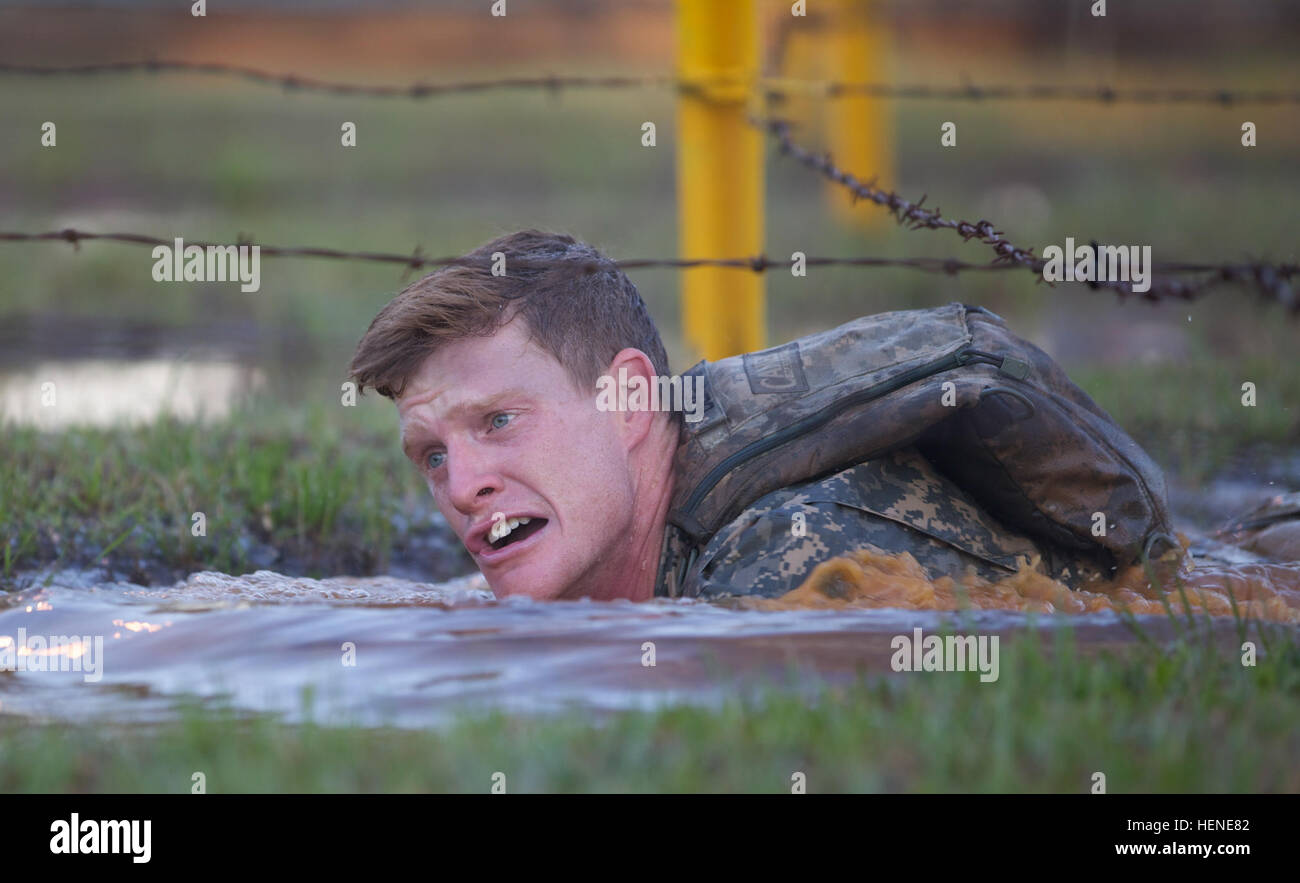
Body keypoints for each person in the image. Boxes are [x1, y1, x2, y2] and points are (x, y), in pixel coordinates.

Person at [349, 229, 1098, 602]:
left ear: (631, 402)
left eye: (498, 422)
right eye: (433, 454)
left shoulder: (790, 558)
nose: (462, 487)